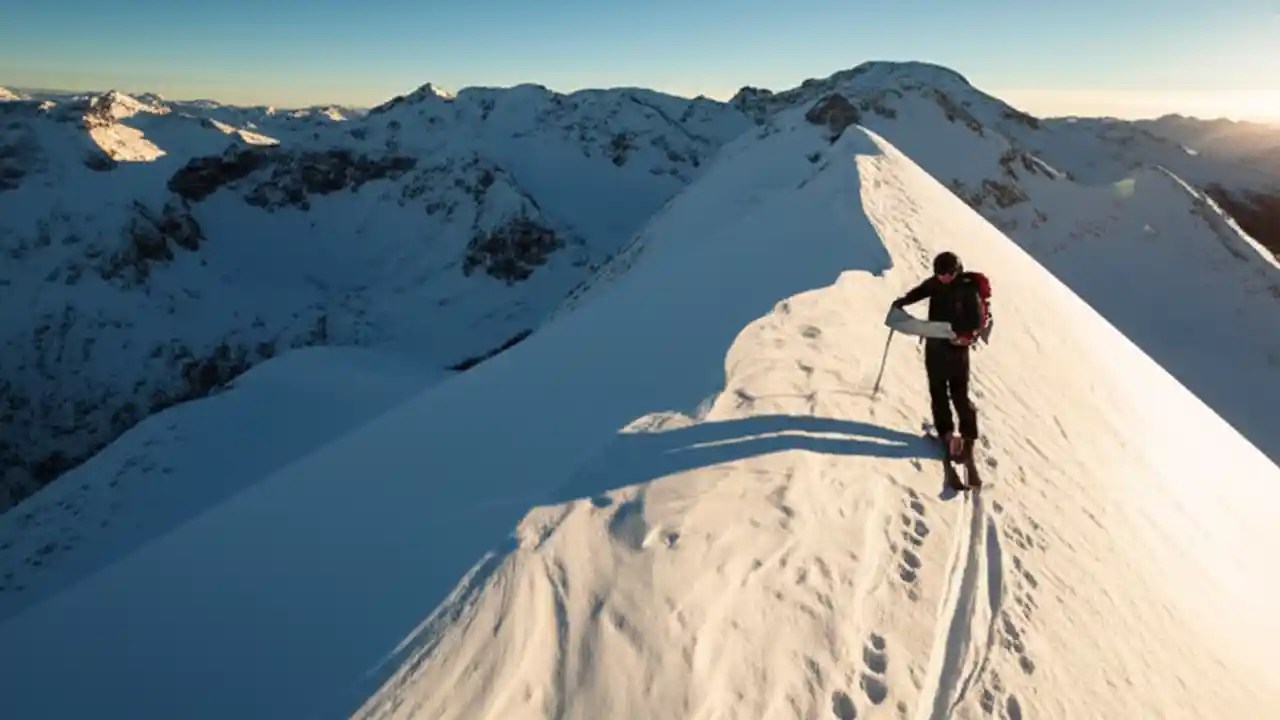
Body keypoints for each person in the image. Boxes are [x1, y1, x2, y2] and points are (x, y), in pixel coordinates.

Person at [891, 251, 991, 463]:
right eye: (939, 273)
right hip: (936, 347)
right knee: (938, 393)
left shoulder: (967, 288)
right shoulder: (935, 283)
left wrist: (959, 334)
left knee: (958, 393)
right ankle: (947, 433)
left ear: (957, 270)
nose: (943, 277)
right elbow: (920, 291)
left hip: (956, 349)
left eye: (947, 273)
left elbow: (974, 321)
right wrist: (902, 302)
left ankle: (968, 435)